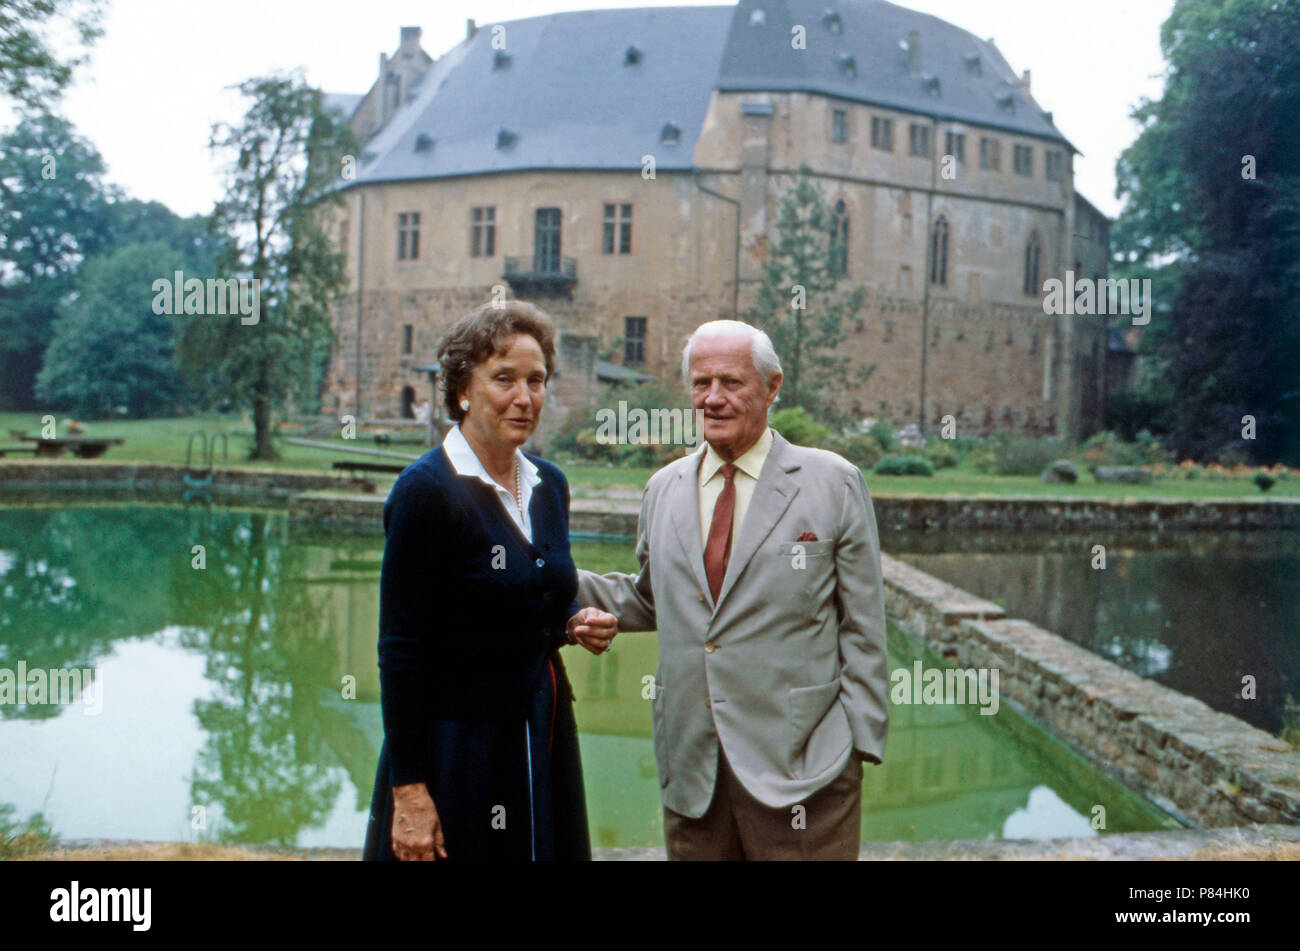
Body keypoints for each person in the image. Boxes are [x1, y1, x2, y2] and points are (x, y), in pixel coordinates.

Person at [574, 319, 889, 860]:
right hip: (693, 769)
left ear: (772, 387)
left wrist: (855, 744)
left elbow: (863, 625)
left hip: (806, 772)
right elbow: (653, 596)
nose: (712, 398)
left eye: (731, 382)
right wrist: (544, 585)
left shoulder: (832, 482)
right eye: (701, 383)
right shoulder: (662, 490)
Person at [362, 299, 617, 862]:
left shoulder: (549, 484)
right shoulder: (426, 491)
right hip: (457, 744)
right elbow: (400, 650)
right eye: (504, 379)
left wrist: (570, 622)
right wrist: (409, 792)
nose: (524, 398)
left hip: (538, 728)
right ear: (463, 389)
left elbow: (533, 594)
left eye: (537, 380)